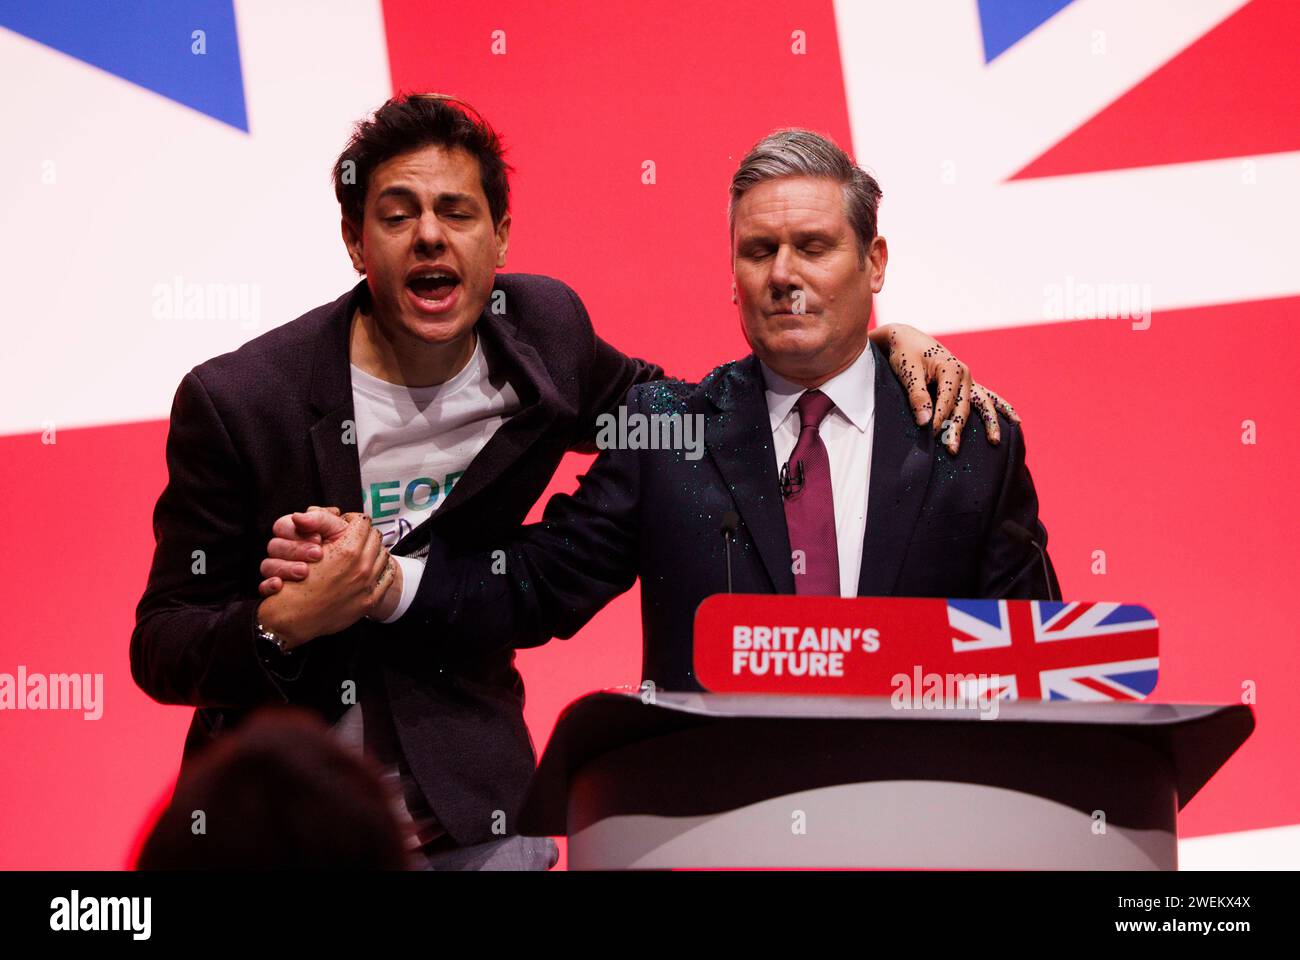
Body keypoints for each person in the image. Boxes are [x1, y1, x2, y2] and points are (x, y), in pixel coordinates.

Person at [134, 95, 1014, 870]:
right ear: (354, 240)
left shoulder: (546, 336)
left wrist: (887, 344)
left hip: (477, 823)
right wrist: (282, 625)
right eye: (397, 214)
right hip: (293, 837)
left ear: (501, 236)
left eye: (456, 211)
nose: (430, 235)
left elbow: (682, 418)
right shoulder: (239, 402)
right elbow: (161, 645)